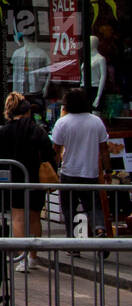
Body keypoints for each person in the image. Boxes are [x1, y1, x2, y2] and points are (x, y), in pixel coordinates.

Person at [0, 91, 53, 272]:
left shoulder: (4, 131)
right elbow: (49, 154)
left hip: (14, 179)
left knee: (18, 217)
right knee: (34, 217)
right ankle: (33, 256)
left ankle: (22, 257)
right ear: (28, 112)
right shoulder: (37, 130)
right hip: (36, 179)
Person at [50, 87, 110, 241]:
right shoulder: (96, 122)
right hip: (91, 172)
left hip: (69, 172)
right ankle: (99, 228)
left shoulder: (62, 123)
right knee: (93, 206)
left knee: (70, 209)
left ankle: (74, 241)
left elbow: (56, 150)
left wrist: (53, 170)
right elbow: (104, 150)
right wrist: (108, 170)